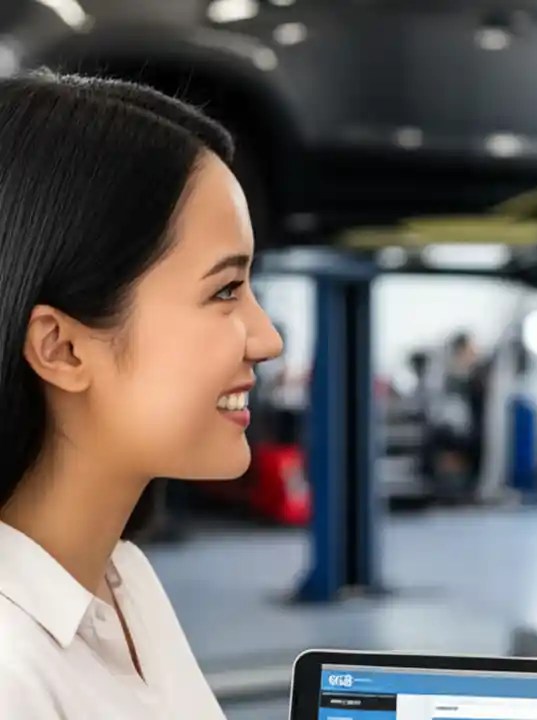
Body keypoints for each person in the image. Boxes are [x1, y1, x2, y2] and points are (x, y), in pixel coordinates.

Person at [0, 72, 284, 717]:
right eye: (224, 291)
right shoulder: (10, 676)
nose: (266, 338)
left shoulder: (123, 583)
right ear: (61, 348)